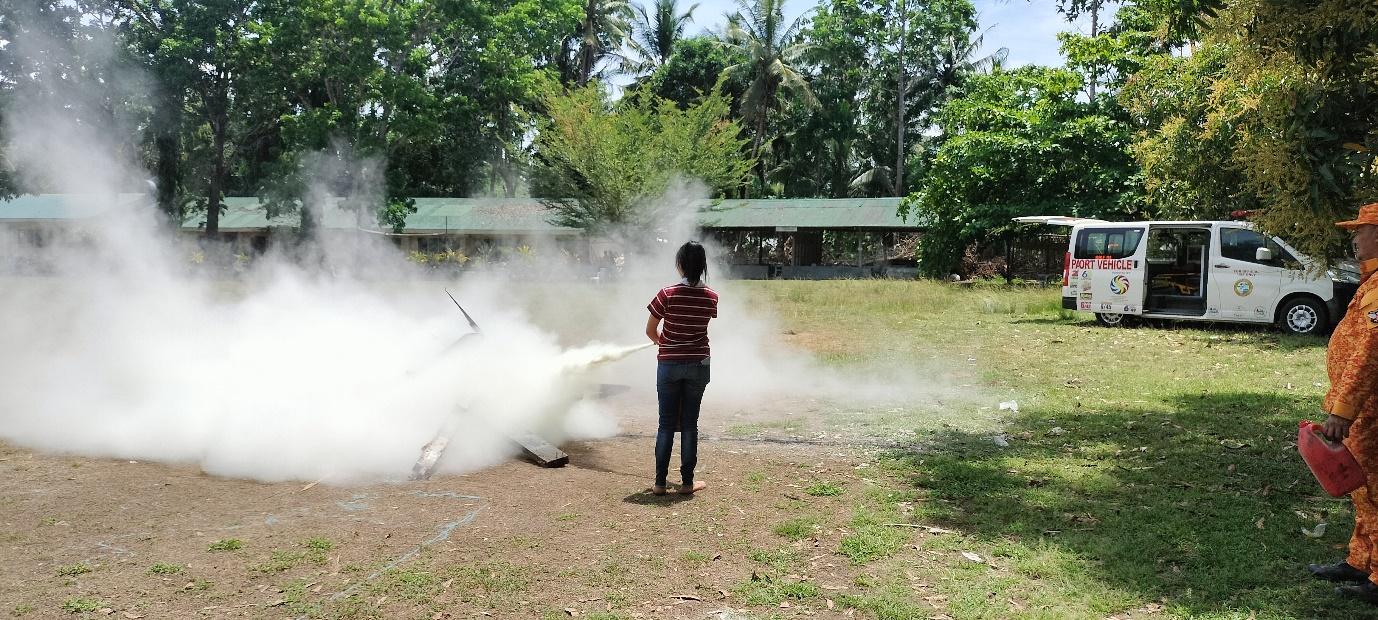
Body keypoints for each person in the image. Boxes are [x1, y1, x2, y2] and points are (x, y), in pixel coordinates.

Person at [1310, 202, 1378, 603]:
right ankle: (1361, 560)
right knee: (1362, 488)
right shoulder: (1371, 282)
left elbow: (1371, 353)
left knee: (1375, 490)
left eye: (1360, 230)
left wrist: (1343, 410)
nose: (1354, 238)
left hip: (1369, 411)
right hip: (1363, 413)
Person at [644, 241, 718, 496]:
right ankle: (687, 483)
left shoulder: (666, 294)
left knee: (665, 424)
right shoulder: (712, 297)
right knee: (689, 424)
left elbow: (650, 331)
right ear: (703, 265)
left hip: (669, 364)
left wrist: (663, 342)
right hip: (699, 364)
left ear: (680, 264)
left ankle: (660, 483)